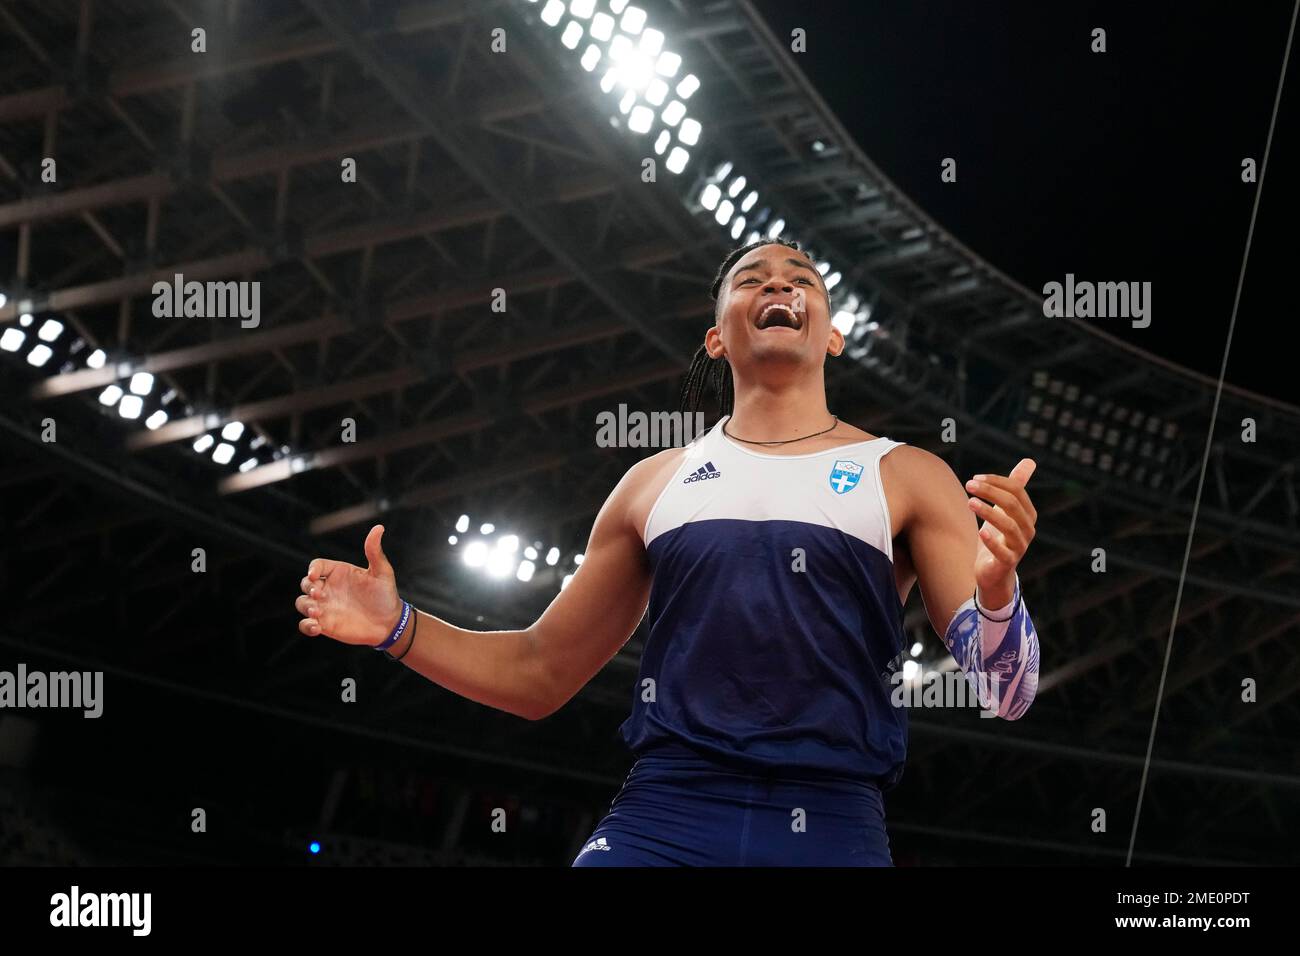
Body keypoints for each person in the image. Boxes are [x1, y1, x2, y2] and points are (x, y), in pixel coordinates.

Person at [295, 238, 1041, 866]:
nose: (778, 284)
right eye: (751, 279)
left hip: (832, 825)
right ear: (718, 336)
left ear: (832, 334)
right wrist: (400, 628)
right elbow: (539, 673)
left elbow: (1006, 694)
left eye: (800, 279)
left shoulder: (908, 474)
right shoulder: (652, 485)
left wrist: (999, 593)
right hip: (664, 817)